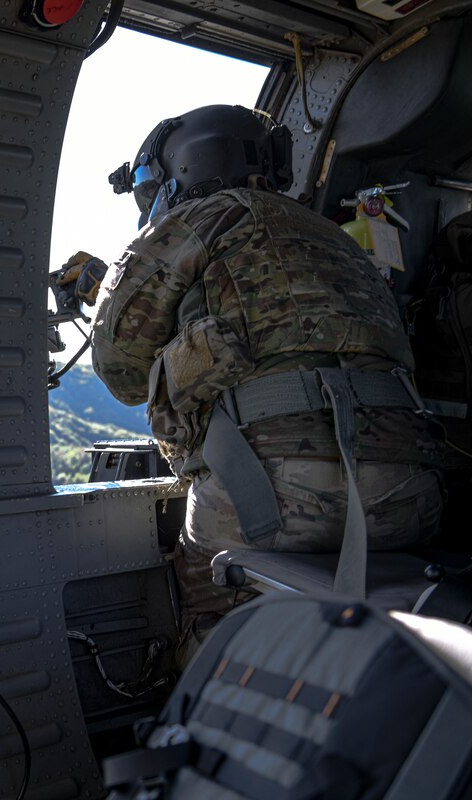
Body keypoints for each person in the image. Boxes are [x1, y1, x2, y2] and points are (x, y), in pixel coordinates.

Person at [64, 104, 446, 659]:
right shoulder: (339, 239)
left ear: (185, 168)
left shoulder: (198, 220)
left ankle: (213, 721)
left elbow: (121, 368)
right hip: (411, 496)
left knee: (209, 604)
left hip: (269, 500)